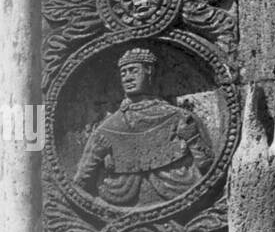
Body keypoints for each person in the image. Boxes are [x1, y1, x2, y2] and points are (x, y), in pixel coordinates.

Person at [74, 48, 210, 207]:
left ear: (150, 72)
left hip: (184, 203)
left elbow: (207, 166)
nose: (127, 78)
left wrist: (192, 139)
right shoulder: (109, 128)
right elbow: (79, 183)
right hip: (120, 210)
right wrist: (96, 156)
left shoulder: (178, 118)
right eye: (123, 73)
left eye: (133, 71)